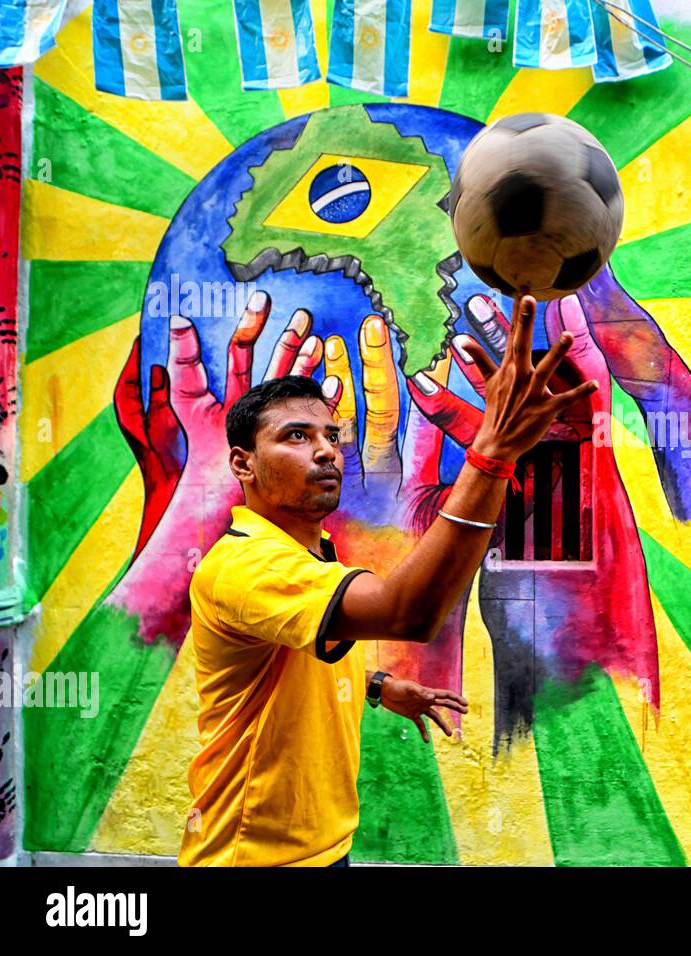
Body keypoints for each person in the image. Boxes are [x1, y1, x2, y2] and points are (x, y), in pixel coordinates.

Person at [178, 295, 596, 867]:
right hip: (253, 857)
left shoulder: (306, 552)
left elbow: (292, 651)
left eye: (330, 434)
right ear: (243, 464)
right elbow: (408, 615)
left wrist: (375, 685)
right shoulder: (247, 565)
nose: (326, 450)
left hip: (324, 845)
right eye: (297, 437)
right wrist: (493, 454)